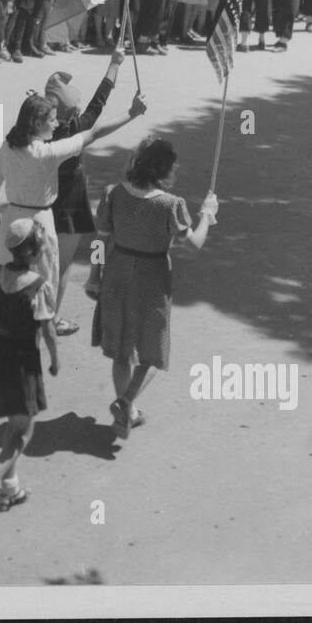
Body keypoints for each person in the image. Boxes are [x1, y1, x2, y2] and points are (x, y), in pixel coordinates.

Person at [95, 138, 218, 439]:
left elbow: (100, 239)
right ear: (162, 169)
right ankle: (125, 402)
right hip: (151, 278)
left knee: (122, 352)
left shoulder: (113, 194)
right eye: (173, 165)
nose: (176, 169)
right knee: (152, 353)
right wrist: (207, 215)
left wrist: (93, 275)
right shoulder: (170, 205)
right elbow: (193, 246)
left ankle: (126, 416)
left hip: (117, 271)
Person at [0, 89, 146, 312]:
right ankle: (41, 330)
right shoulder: (49, 152)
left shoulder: (5, 149)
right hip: (40, 221)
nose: (56, 125)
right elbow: (95, 132)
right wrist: (132, 113)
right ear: (36, 123)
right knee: (44, 287)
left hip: (11, 221)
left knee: (11, 281)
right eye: (51, 120)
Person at [0, 219, 59, 526]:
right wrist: (56, 361)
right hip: (22, 360)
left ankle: (9, 489)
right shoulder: (39, 287)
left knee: (12, 424)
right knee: (23, 433)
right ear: (33, 251)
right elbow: (49, 330)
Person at [44, 50, 124, 336]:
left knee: (39, 261)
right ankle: (51, 319)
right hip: (70, 201)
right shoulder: (77, 128)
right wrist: (114, 64)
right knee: (62, 265)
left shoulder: (36, 129)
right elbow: (99, 101)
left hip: (39, 200)